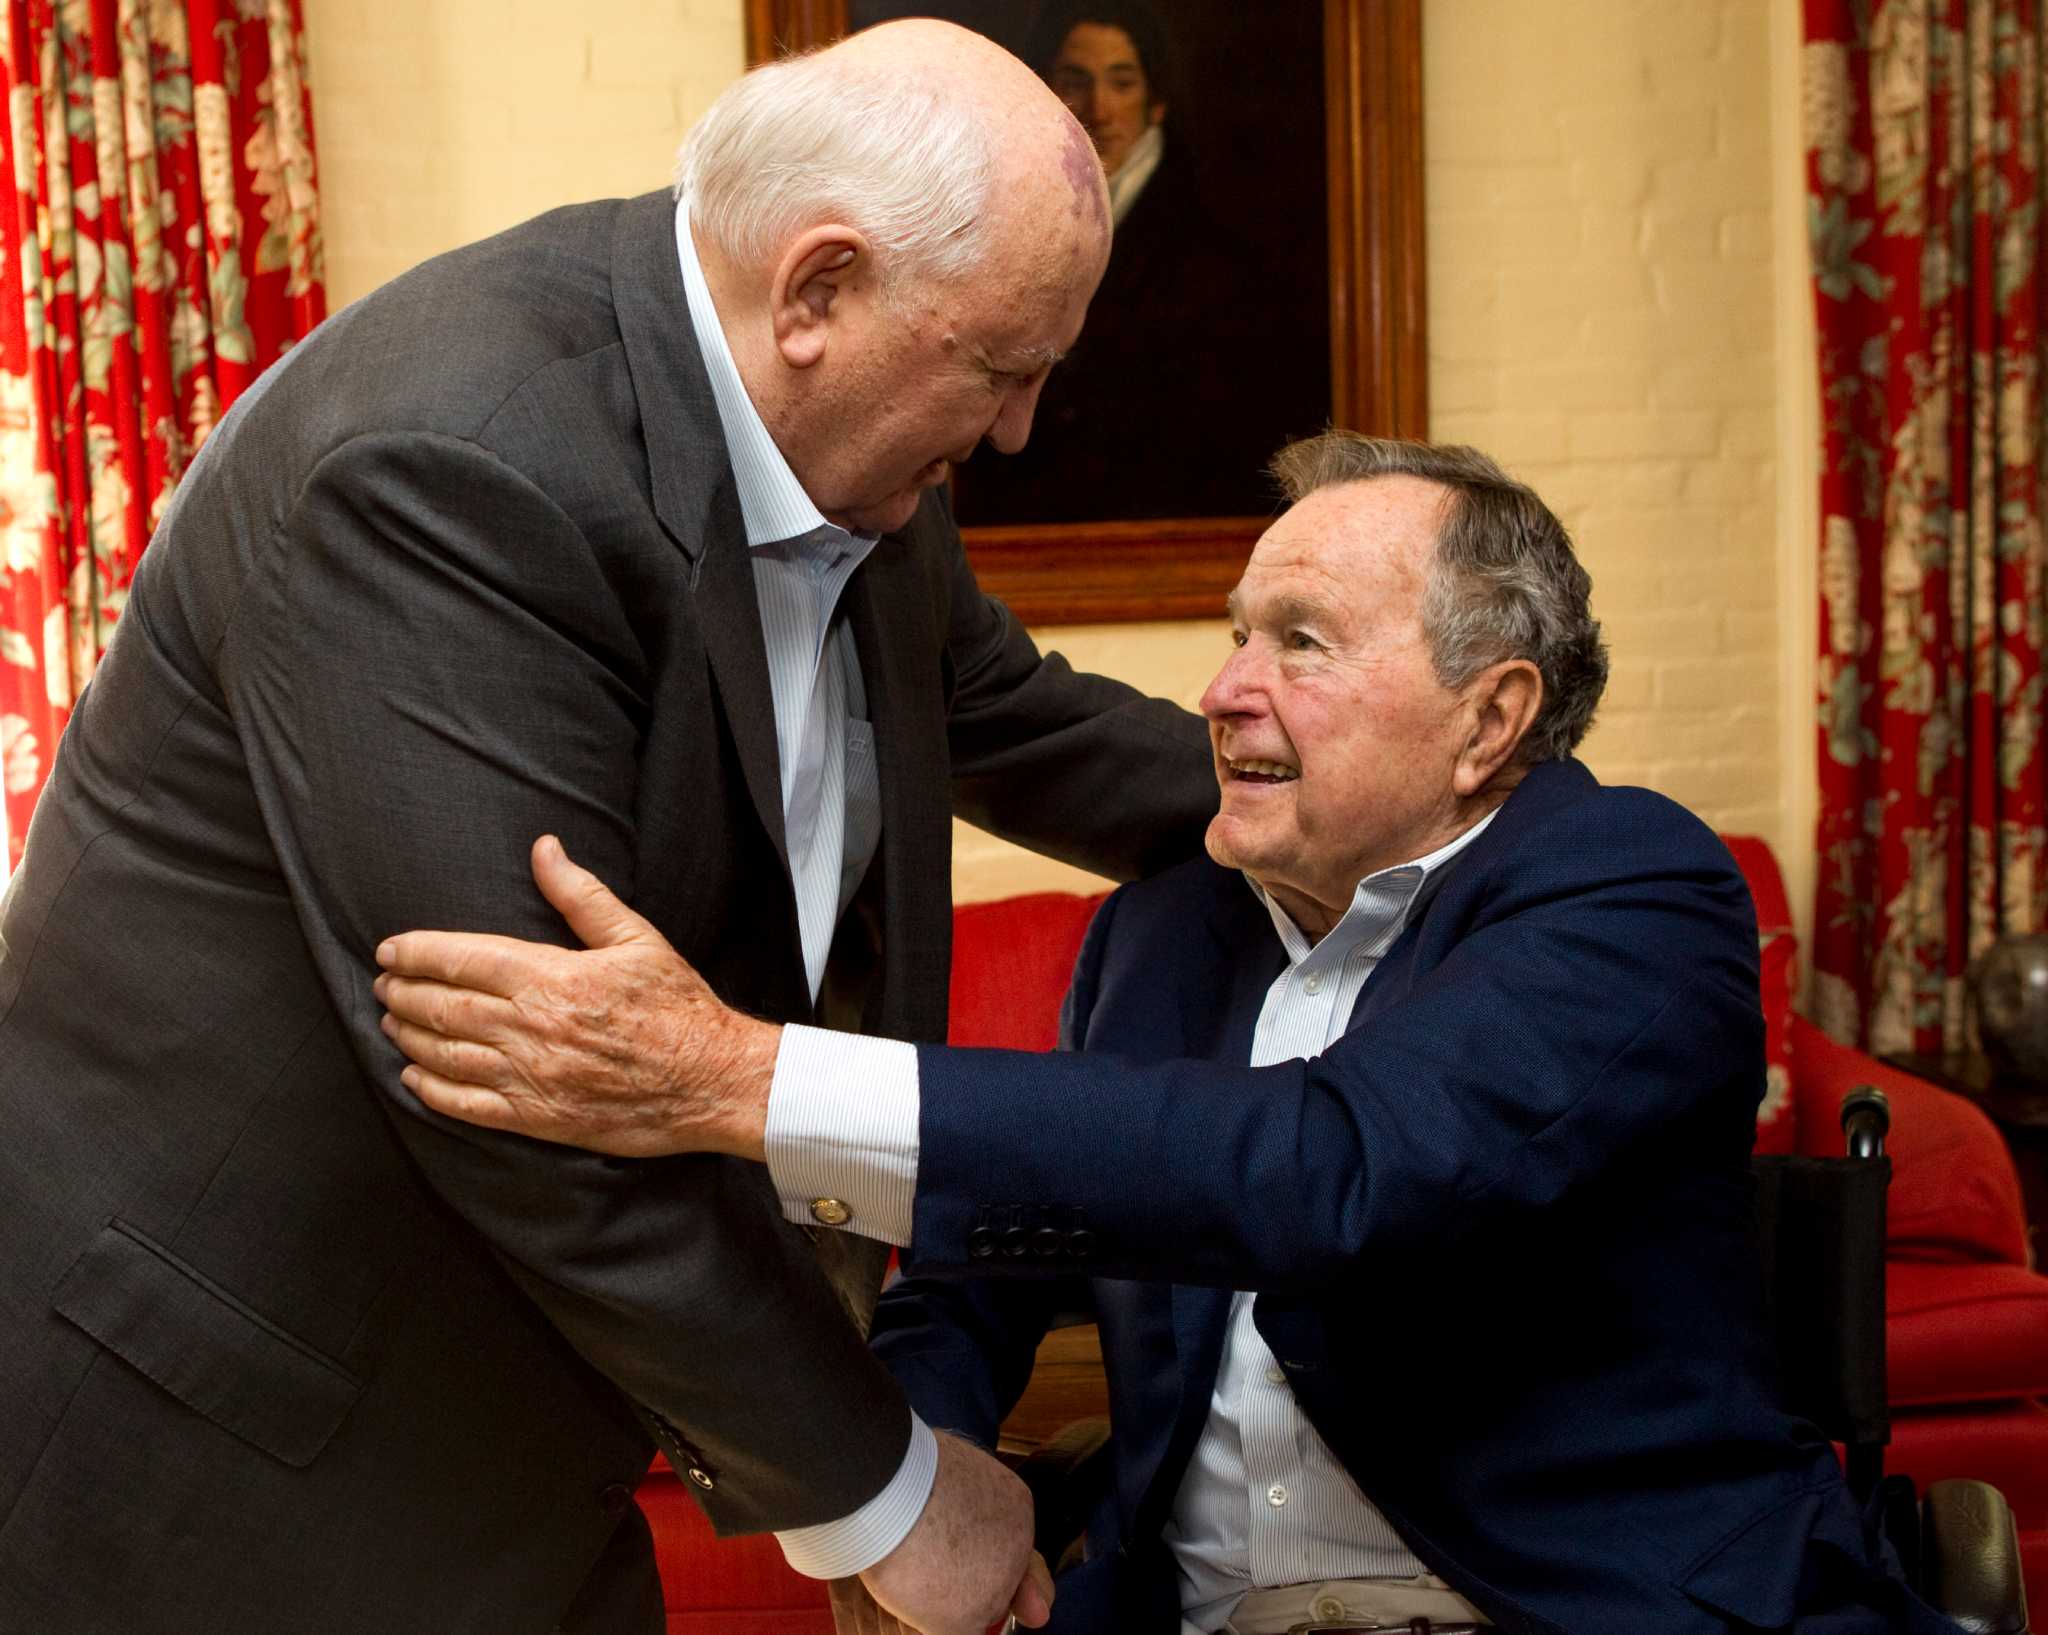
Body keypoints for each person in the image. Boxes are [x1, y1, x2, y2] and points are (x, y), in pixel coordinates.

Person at [0, 21, 1221, 1635]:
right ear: (817, 294)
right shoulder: (447, 468)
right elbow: (534, 1103)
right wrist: (890, 1497)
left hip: (524, 1431)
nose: (1015, 432)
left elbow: (1035, 727)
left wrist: (1406, 808)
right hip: (226, 1439)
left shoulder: (864, 482)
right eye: (998, 368)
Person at [378, 433, 1966, 1635]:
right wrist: (915, 1478)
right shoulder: (1164, 928)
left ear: (1493, 716)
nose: (1222, 688)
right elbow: (982, 1270)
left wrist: (739, 1074)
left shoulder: (1629, 892)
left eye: (1302, 641)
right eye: (1234, 631)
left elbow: (1329, 1168)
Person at [949, 2, 1325, 526]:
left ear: (1155, 102)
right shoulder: (999, 226)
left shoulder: (1212, 260)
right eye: (1076, 81)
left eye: (1122, 84)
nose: (1100, 109)